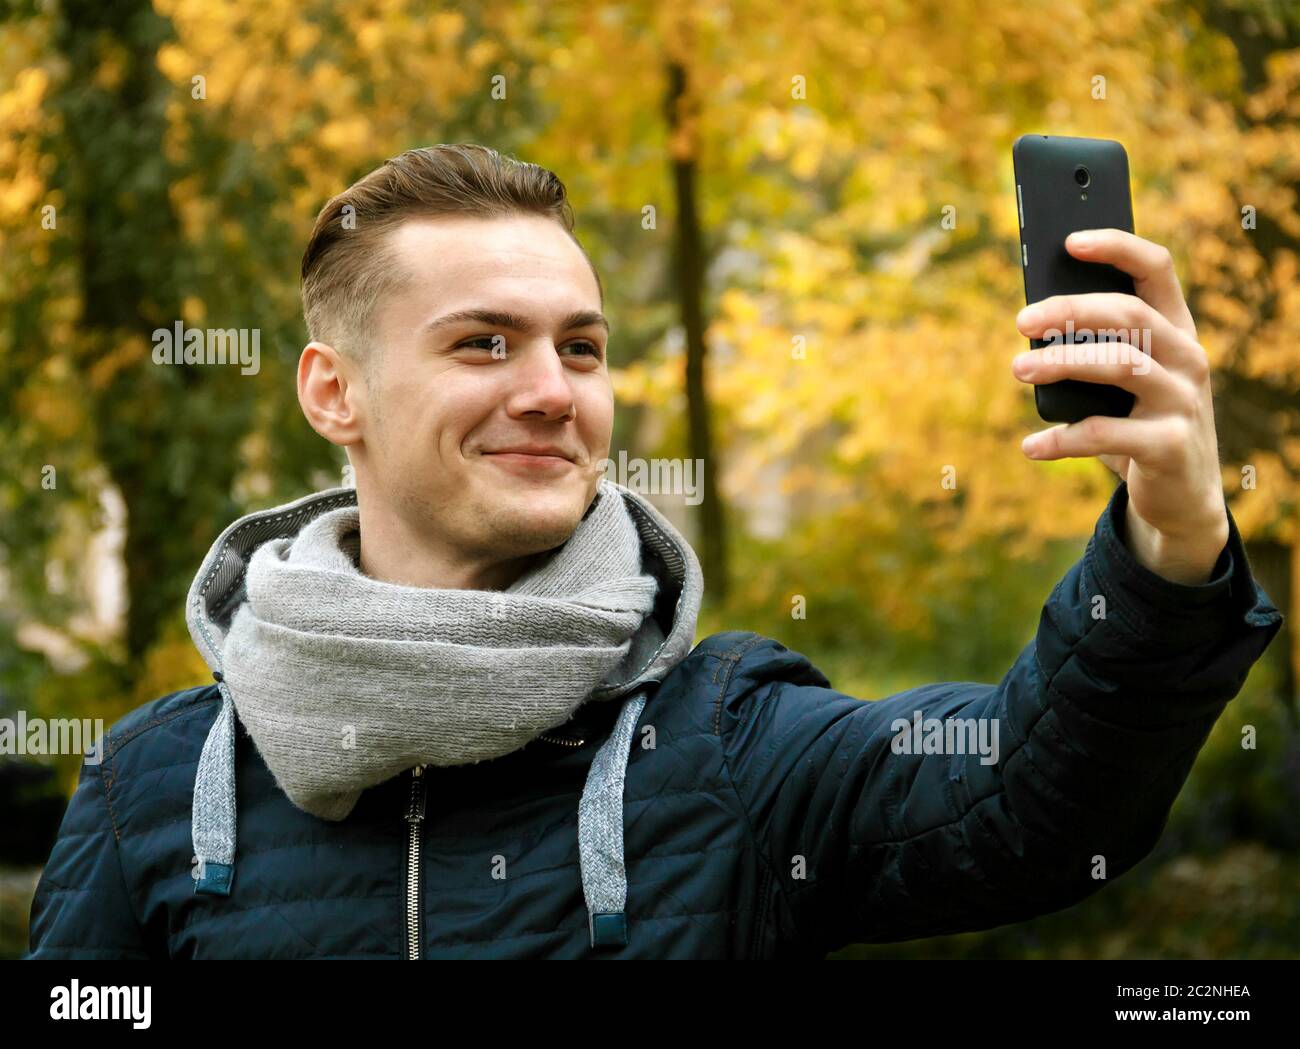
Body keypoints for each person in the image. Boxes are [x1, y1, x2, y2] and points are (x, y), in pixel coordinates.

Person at [26, 143, 1283, 960]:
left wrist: (1169, 538)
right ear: (331, 390)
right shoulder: (154, 787)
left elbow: (1033, 804)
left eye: (580, 348)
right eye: (482, 344)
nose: (551, 391)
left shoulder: (725, 738)